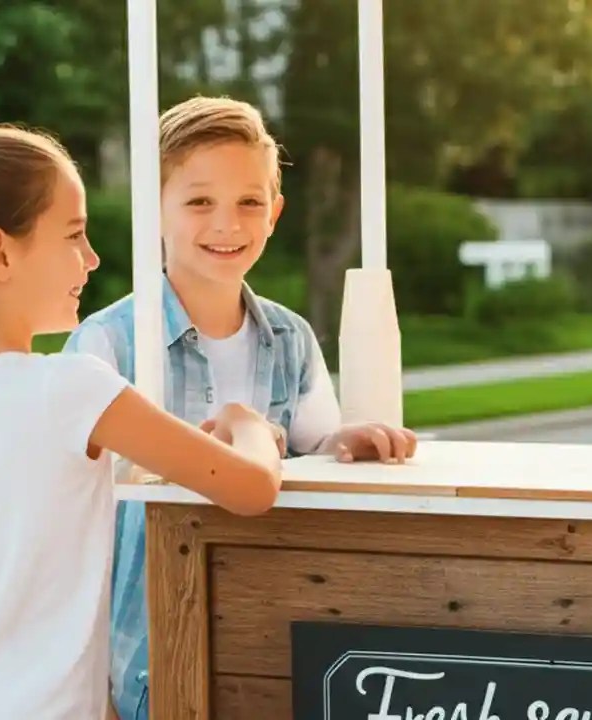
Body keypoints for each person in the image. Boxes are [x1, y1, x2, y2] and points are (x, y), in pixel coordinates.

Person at [0, 126, 284, 719]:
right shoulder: (73, 388)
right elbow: (251, 487)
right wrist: (247, 423)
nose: (92, 258)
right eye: (74, 236)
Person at [64, 95, 418, 719]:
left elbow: (317, 447)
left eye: (249, 202)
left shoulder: (292, 340)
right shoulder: (107, 345)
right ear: (154, 212)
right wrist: (89, 690)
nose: (227, 224)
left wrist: (350, 442)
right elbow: (67, 532)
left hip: (263, 642)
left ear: (275, 212)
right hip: (139, 661)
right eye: (200, 202)